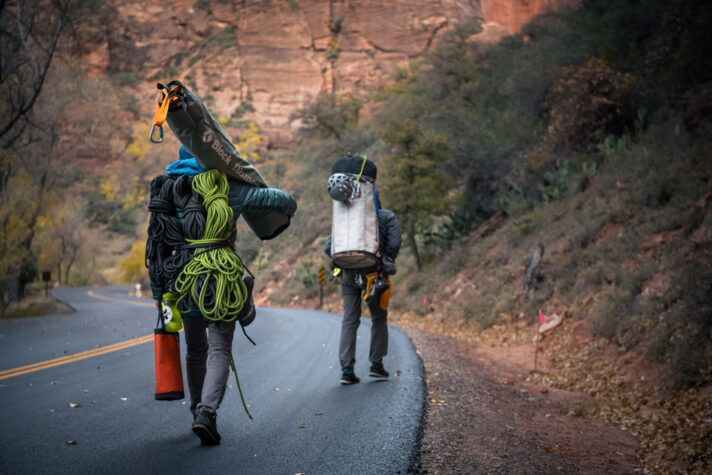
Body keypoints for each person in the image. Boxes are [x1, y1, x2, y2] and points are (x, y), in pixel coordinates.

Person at [147, 145, 297, 445]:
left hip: (182, 280)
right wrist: (247, 181)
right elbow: (284, 201)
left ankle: (196, 412)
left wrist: (159, 293)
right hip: (219, 279)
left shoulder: (167, 191)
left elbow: (156, 245)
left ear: (179, 161)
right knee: (218, 350)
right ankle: (207, 412)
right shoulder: (226, 188)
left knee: (195, 349)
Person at [324, 155, 402, 385]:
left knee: (350, 319)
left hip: (348, 273)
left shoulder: (342, 221)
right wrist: (385, 260)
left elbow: (329, 247)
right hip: (375, 274)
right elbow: (395, 242)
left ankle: (347, 371)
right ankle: (377, 365)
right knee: (379, 317)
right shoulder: (386, 216)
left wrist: (346, 259)